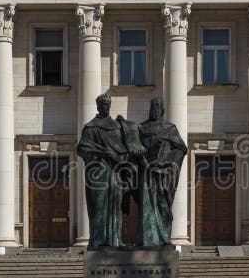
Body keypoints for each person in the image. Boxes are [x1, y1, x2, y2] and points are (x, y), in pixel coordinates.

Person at [76, 93, 144, 248]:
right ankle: (99, 241)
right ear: (98, 106)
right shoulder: (91, 127)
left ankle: (115, 240)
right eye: (102, 104)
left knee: (115, 207)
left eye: (107, 104)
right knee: (99, 206)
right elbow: (82, 148)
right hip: (99, 173)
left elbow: (124, 149)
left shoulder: (117, 127)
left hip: (115, 173)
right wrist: (100, 154)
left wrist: (124, 158)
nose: (105, 107)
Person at [134, 97, 187, 247]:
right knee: (146, 206)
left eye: (158, 106)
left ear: (163, 110)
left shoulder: (170, 128)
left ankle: (164, 238)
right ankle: (146, 239)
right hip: (146, 171)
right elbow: (134, 147)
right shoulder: (141, 128)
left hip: (164, 174)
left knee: (164, 205)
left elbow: (181, 149)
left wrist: (165, 161)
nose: (155, 108)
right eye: (153, 106)